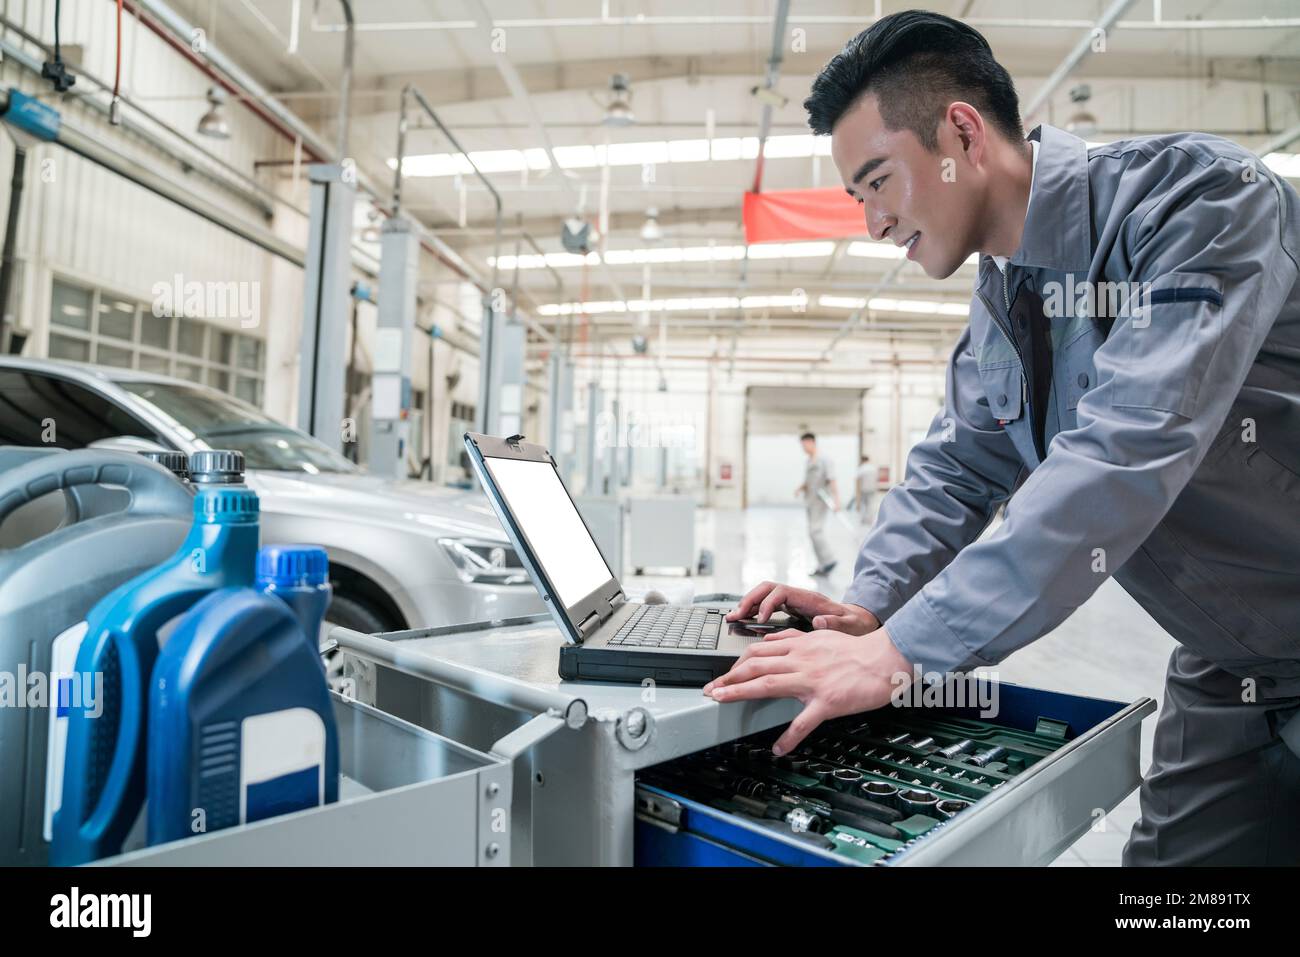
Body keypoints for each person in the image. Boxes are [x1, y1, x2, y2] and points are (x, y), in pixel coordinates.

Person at [706, 10, 1300, 866]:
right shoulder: (999, 314)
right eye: (856, 197)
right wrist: (866, 605)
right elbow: (952, 472)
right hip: (1229, 663)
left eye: (878, 181)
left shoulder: (1196, 201)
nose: (872, 223)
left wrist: (901, 653)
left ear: (960, 134)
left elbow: (1122, 457)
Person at [794, 431, 840, 576]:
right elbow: (807, 481)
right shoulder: (808, 461)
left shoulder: (824, 460)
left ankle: (829, 560)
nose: (803, 448)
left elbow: (832, 480)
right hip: (810, 501)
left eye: (804, 445)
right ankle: (822, 564)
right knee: (812, 532)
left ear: (811, 442)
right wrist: (799, 488)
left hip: (821, 500)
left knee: (815, 531)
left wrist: (836, 500)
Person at [854, 454, 875, 524]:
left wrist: (857, 491)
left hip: (864, 489)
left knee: (863, 505)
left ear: (862, 460)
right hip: (872, 489)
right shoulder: (873, 468)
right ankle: (870, 520)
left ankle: (863, 520)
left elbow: (857, 480)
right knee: (870, 504)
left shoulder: (861, 468)